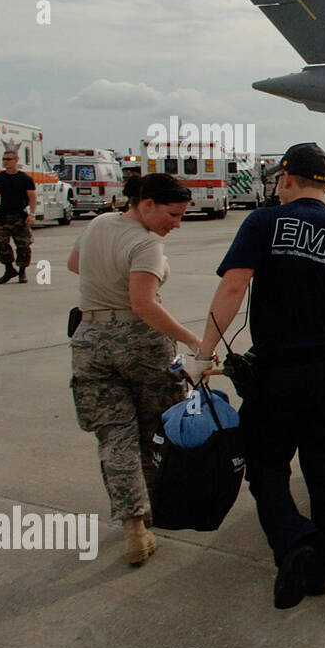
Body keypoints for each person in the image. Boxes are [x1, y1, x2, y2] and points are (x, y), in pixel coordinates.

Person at [199, 143, 325, 609]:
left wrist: (204, 353)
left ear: (285, 178)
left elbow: (234, 285)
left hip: (276, 373)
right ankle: (321, 567)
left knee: (265, 467)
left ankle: (292, 543)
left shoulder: (263, 222)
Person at [67, 174, 201, 566]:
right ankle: (156, 507)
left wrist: (105, 276)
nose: (175, 224)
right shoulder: (147, 244)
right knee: (154, 431)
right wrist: (192, 340)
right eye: (172, 214)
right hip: (140, 343)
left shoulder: (97, 223)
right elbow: (143, 304)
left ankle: (133, 525)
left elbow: (75, 263)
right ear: (146, 204)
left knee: (114, 436)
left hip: (90, 340)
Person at [0, 146, 37, 284]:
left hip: (19, 216)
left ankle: (22, 272)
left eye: (9, 159)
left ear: (16, 160)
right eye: (4, 159)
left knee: (23, 245)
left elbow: (32, 197)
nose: (6, 162)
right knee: (0, 243)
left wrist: (32, 214)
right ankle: (9, 269)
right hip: (3, 216)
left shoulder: (25, 179)